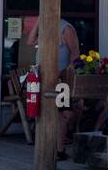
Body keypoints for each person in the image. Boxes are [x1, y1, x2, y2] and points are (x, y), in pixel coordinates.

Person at [25, 17, 82, 160]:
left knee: (63, 113)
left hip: (62, 79)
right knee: (45, 111)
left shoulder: (66, 28)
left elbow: (75, 53)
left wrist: (68, 72)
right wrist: (39, 21)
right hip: (44, 79)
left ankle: (59, 150)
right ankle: (47, 148)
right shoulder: (45, 28)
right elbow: (30, 41)